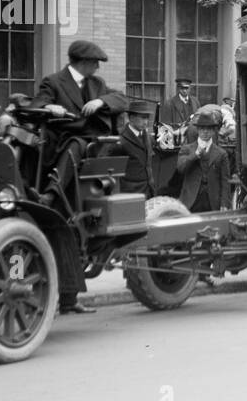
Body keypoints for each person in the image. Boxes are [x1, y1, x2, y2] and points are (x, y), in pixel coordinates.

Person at [33, 40, 126, 314]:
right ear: (81, 62)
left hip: (91, 148)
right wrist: (51, 108)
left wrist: (100, 101)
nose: (97, 67)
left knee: (69, 229)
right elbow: (39, 103)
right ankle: (52, 190)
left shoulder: (96, 85)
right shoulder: (54, 82)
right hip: (63, 144)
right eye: (95, 63)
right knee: (75, 144)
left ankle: (69, 300)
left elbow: (122, 99)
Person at [176, 110, 231, 213]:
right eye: (202, 128)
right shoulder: (187, 149)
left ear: (213, 131)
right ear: (197, 129)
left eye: (209, 129)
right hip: (190, 202)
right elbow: (180, 168)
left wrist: (224, 203)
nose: (205, 132)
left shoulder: (221, 154)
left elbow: (225, 181)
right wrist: (195, 155)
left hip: (212, 202)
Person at [114, 99, 155, 197]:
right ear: (131, 118)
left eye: (147, 118)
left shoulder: (148, 137)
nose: (146, 122)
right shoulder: (120, 139)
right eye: (142, 118)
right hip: (130, 193)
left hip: (148, 190)